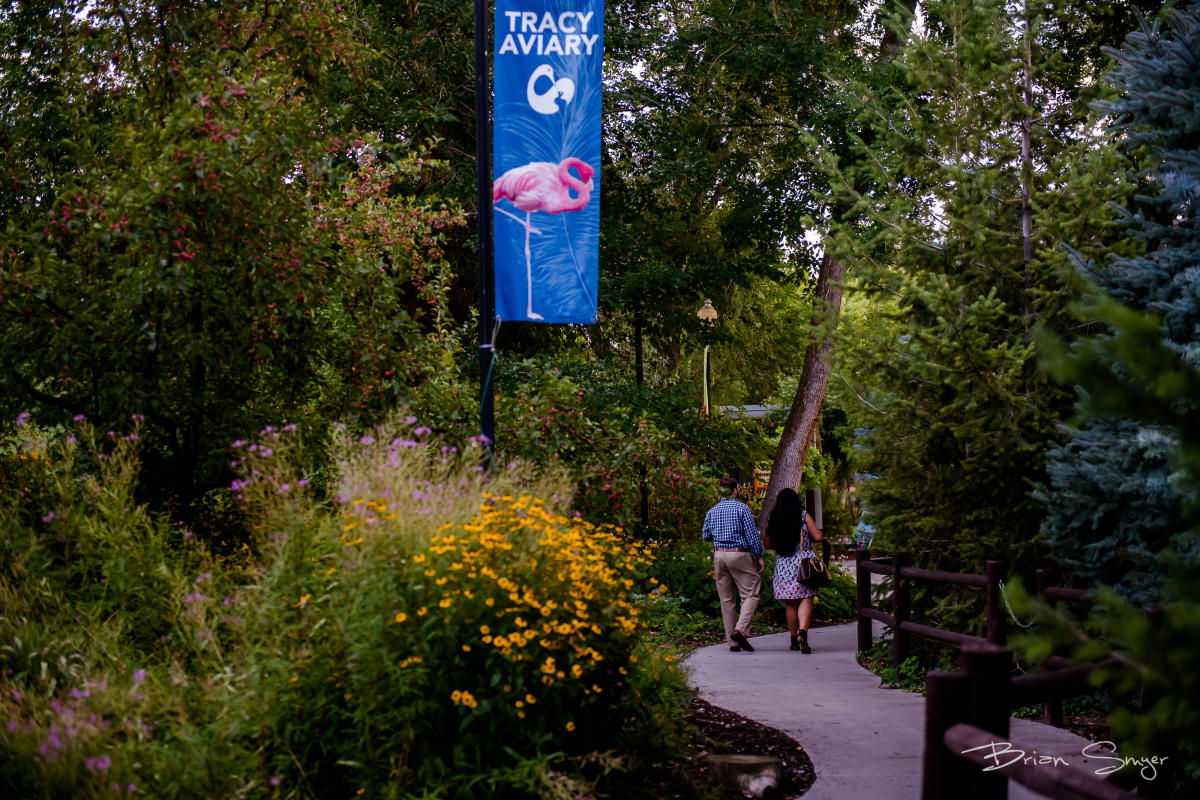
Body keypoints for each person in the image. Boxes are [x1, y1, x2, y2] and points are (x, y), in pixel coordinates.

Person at [702, 477, 764, 652]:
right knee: (751, 593)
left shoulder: (711, 511)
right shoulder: (742, 509)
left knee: (727, 599)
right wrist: (758, 555)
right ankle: (740, 630)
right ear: (735, 491)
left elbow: (706, 536)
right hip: (739, 554)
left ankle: (733, 643)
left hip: (719, 555)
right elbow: (752, 536)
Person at [766, 488, 824, 653]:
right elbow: (818, 537)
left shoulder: (774, 518)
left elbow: (768, 544)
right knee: (806, 597)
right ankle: (803, 633)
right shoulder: (803, 516)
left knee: (790, 602)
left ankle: (793, 640)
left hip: (783, 565)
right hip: (802, 564)